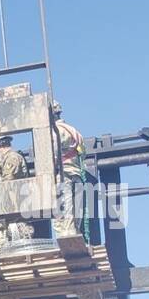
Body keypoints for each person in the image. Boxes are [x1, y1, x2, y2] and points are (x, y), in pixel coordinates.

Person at [0, 135, 34, 253]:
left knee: (21, 256)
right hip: (3, 218)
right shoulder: (0, 163)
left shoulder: (13, 158)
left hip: (15, 218)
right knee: (0, 254)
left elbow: (7, 182)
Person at [51, 101, 85, 238]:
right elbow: (83, 153)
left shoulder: (55, 132)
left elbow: (51, 155)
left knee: (63, 213)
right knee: (76, 213)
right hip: (76, 174)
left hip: (62, 175)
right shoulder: (74, 131)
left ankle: (68, 238)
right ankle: (75, 235)